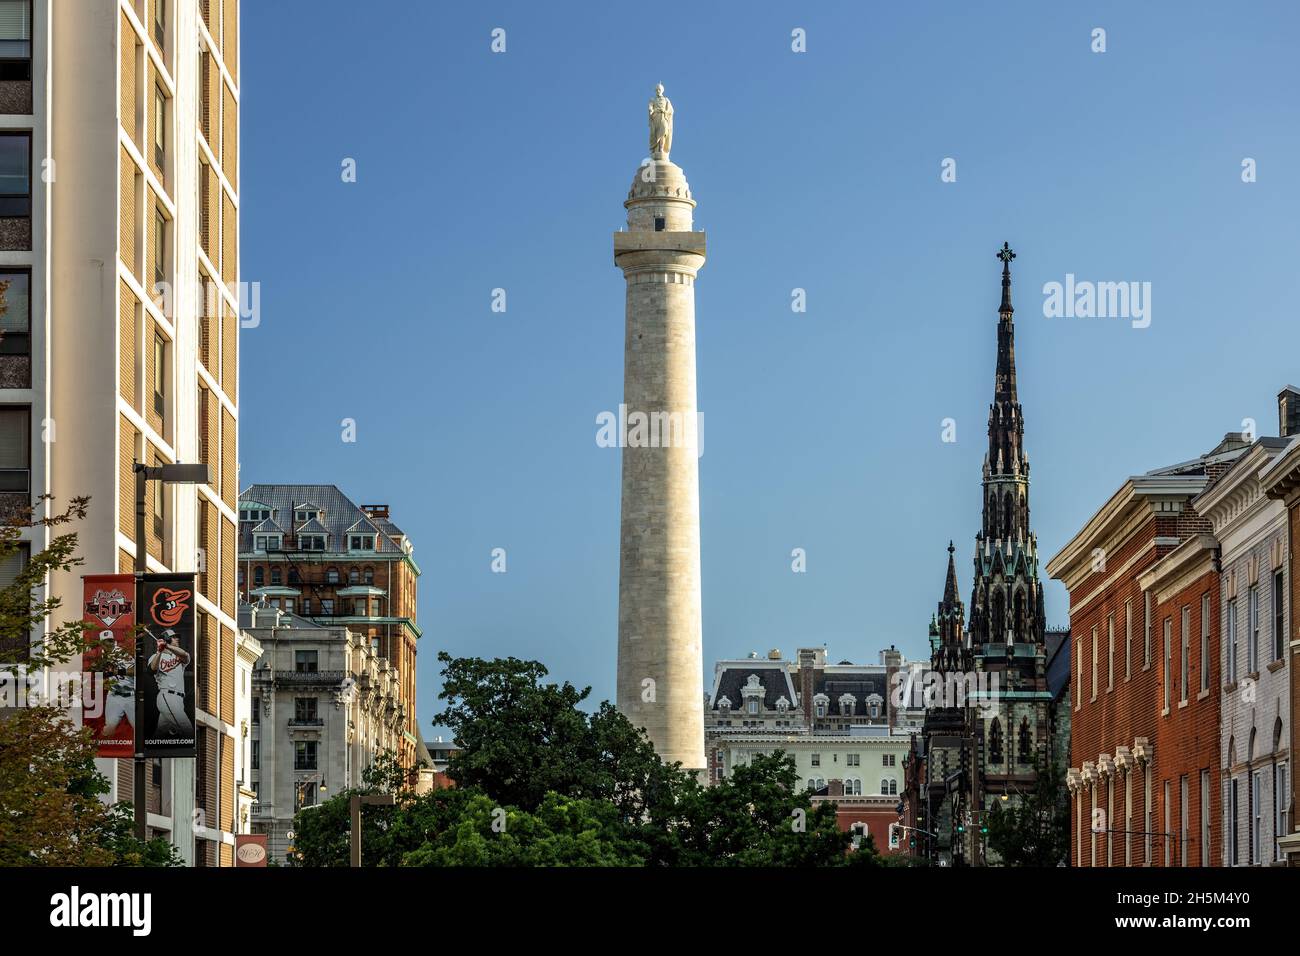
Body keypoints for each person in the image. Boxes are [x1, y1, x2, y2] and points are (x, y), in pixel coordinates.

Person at [148, 628, 192, 738]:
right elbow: (151, 670)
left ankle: (151, 753)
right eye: (174, 637)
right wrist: (159, 651)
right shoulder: (155, 657)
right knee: (187, 729)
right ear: (166, 639)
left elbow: (186, 656)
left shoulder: (178, 655)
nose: (177, 639)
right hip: (167, 696)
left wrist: (167, 646)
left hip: (179, 699)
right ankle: (193, 756)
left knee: (160, 734)